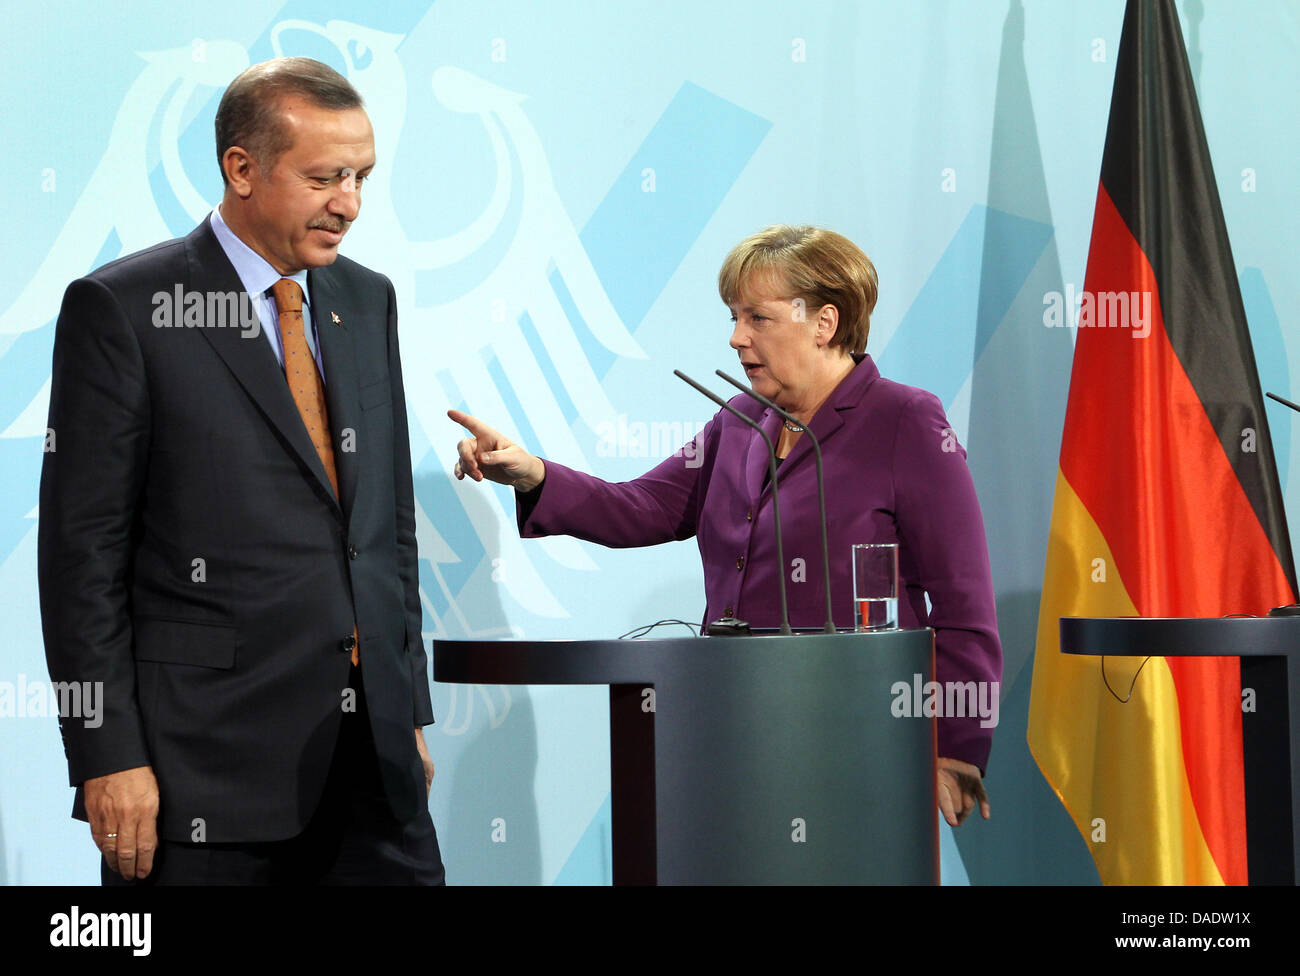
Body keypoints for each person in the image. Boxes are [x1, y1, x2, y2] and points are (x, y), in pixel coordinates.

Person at [39, 57, 444, 884]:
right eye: (325, 177)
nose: (350, 203)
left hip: (373, 775)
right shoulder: (124, 306)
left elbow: (385, 524)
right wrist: (106, 756)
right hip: (202, 778)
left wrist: (408, 712)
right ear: (242, 168)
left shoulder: (366, 300)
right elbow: (81, 561)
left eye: (362, 176)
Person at [451, 225, 1002, 827]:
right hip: (734, 724)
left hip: (861, 735)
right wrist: (532, 473)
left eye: (756, 318)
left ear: (825, 322)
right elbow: (645, 507)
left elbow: (962, 600)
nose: (736, 338)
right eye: (734, 317)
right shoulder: (740, 418)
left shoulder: (906, 420)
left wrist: (955, 745)